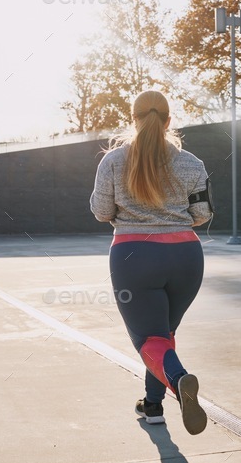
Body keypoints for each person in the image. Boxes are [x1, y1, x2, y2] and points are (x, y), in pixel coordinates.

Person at [89, 90, 213, 435]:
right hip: (186, 257)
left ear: (134, 119)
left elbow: (102, 212)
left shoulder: (113, 161)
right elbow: (202, 214)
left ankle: (179, 380)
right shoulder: (192, 163)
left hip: (134, 257)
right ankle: (153, 405)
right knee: (163, 335)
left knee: (149, 340)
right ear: (169, 121)